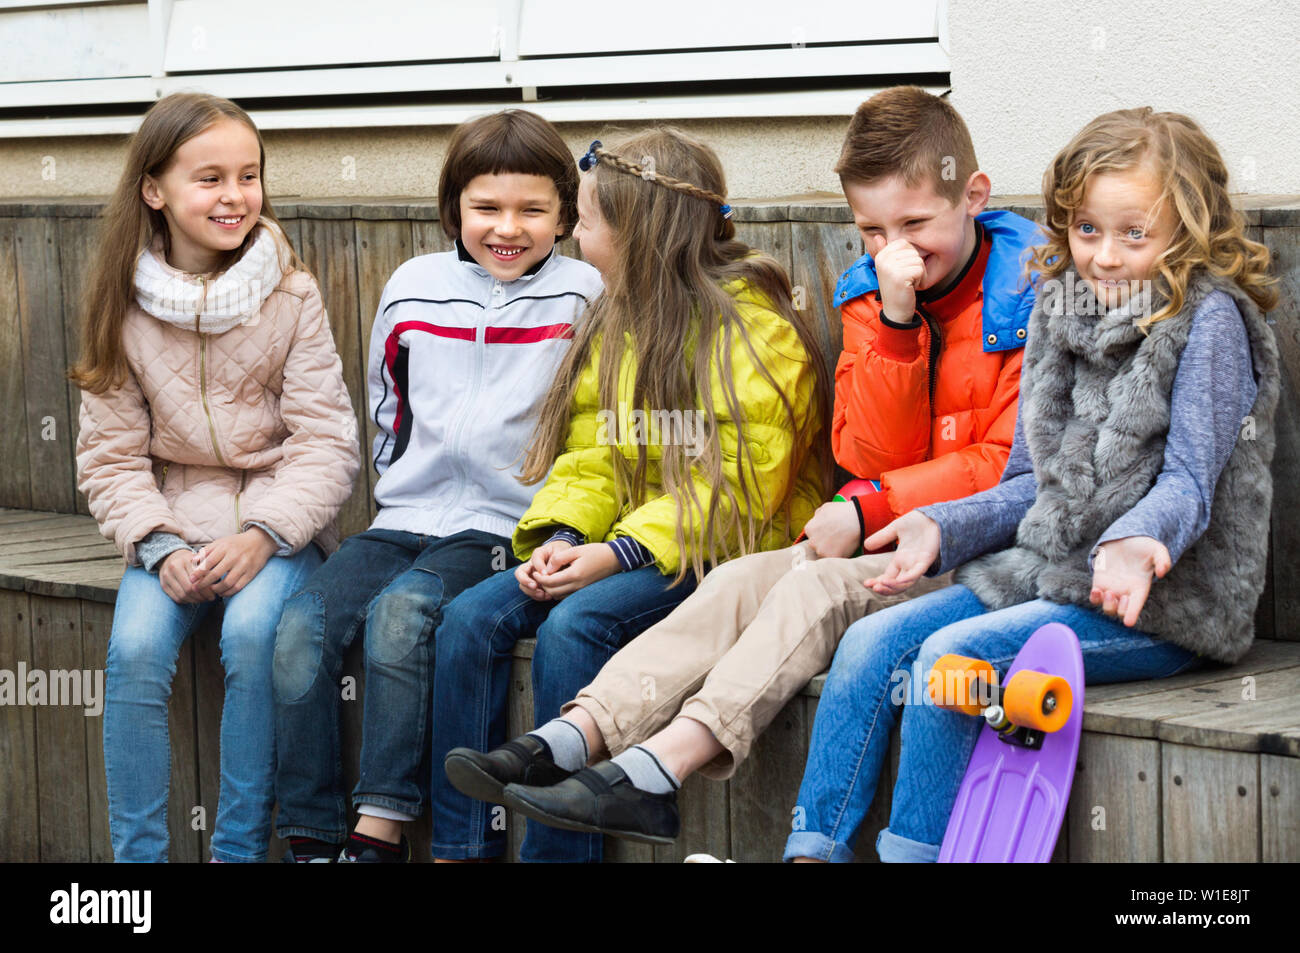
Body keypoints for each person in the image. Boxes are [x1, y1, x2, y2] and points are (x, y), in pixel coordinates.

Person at [450, 86, 1042, 849]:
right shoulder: (876, 292)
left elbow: (1009, 466)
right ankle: (571, 741)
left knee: (807, 587)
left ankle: (658, 771)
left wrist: (869, 509)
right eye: (871, 229)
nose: (895, 248)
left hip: (979, 549)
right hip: (887, 534)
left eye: (916, 224)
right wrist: (897, 327)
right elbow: (872, 456)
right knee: (737, 583)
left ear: (975, 195)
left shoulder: (1034, 296)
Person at [785, 107, 1279, 863]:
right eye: (1086, 230)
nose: (1105, 257)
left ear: (1187, 227)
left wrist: (1136, 545)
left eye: (1133, 234)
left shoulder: (1207, 322)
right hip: (1047, 574)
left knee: (952, 665)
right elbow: (1028, 481)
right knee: (869, 640)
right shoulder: (1057, 304)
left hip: (1164, 606)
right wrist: (944, 526)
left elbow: (1189, 482)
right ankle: (810, 852)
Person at [433, 127, 832, 862]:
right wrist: (560, 536)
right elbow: (590, 454)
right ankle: (462, 846)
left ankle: (559, 851)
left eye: (584, 222)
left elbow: (740, 487)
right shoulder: (618, 319)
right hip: (626, 539)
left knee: (574, 626)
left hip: (721, 550)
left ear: (638, 235)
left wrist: (615, 554)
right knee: (470, 616)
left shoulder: (755, 328)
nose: (575, 236)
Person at [271, 110, 602, 862]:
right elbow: (389, 400)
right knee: (298, 628)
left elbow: (591, 422)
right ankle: (310, 834)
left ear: (565, 213)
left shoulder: (584, 294)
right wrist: (402, 487)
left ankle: (377, 830)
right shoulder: (415, 285)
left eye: (532, 210)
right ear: (455, 206)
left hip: (502, 525)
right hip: (405, 513)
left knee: (401, 616)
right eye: (486, 208)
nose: (507, 227)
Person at [73, 92, 360, 862]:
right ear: (154, 190)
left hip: (275, 524)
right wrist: (159, 544)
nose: (235, 196)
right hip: (168, 522)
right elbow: (110, 457)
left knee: (253, 632)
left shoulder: (291, 294)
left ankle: (236, 852)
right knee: (133, 648)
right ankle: (138, 861)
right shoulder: (119, 304)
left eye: (248, 175)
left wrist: (266, 535)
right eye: (210, 179)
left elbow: (327, 440)